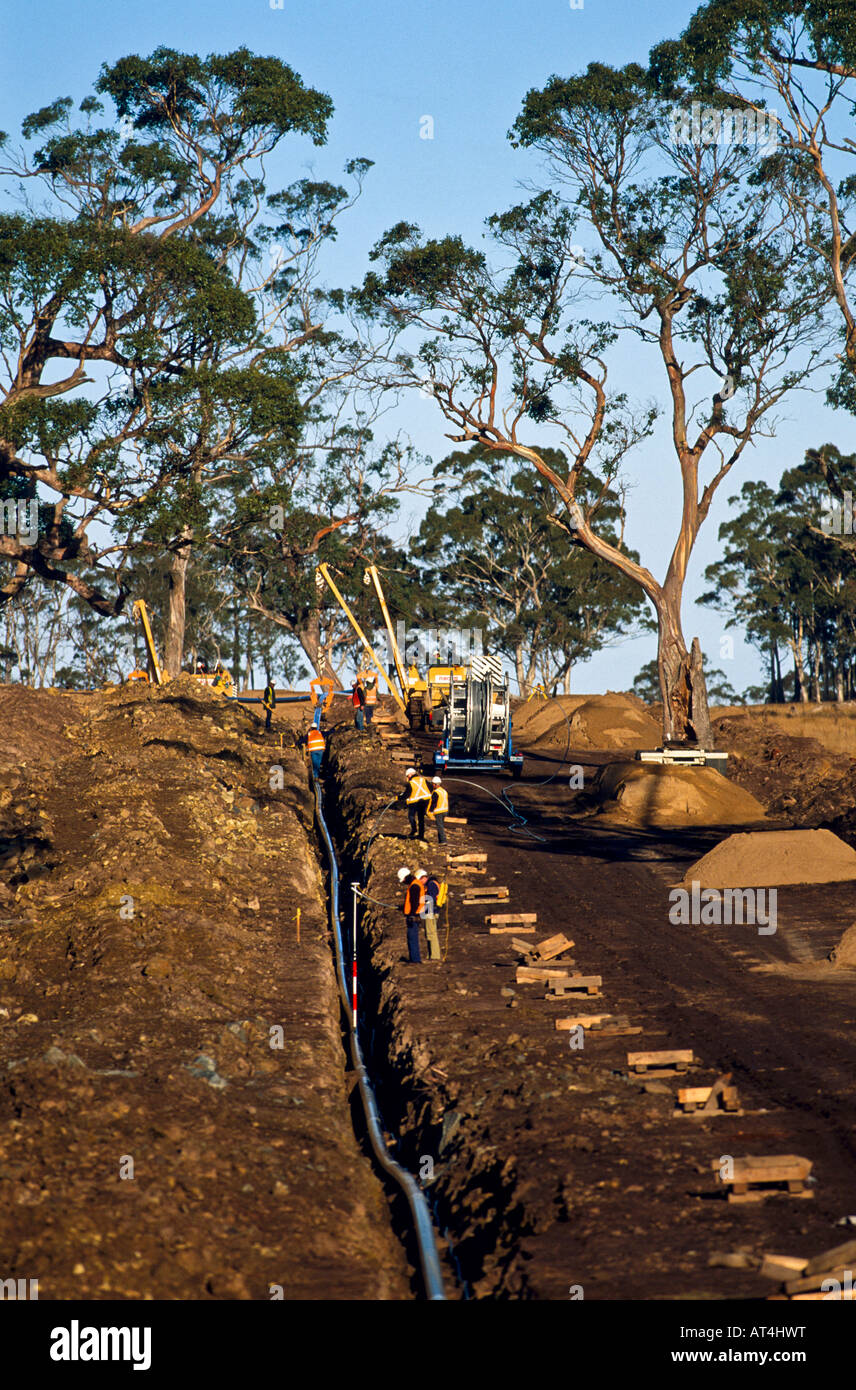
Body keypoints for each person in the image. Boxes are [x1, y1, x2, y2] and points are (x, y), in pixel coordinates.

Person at [398, 866, 424, 964]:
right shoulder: (415, 884)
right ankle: (414, 958)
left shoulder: (414, 886)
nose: (403, 881)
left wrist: (412, 915)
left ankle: (415, 960)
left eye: (403, 879)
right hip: (416, 914)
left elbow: (414, 902)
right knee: (413, 937)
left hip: (414, 916)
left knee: (412, 938)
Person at [401, 766, 431, 840]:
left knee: (411, 815)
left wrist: (398, 798)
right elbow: (430, 788)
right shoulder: (423, 780)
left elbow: (407, 794)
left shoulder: (411, 783)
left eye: (407, 776)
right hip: (425, 800)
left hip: (415, 802)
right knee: (421, 818)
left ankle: (414, 829)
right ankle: (421, 835)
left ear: (410, 775)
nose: (407, 777)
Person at [418, 869, 442, 961]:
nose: (420, 882)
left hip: (431, 912)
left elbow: (431, 898)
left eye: (420, 880)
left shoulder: (431, 884)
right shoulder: (431, 884)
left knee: (432, 933)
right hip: (431, 911)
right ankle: (431, 954)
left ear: (424, 878)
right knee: (429, 933)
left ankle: (435, 956)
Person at [427, 775, 448, 844]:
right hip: (445, 810)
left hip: (439, 811)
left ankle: (443, 841)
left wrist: (430, 811)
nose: (432, 785)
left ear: (435, 784)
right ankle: (440, 841)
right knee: (440, 825)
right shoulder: (444, 791)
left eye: (433, 784)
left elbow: (433, 803)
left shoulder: (436, 792)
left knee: (440, 826)